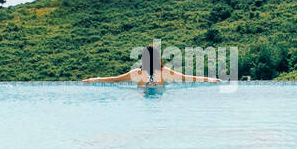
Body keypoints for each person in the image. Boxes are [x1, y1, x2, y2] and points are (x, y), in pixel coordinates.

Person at [82, 43, 222, 84]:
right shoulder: (164, 72)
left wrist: (95, 79)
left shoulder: (137, 73)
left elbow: (114, 80)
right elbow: (187, 78)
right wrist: (208, 79)